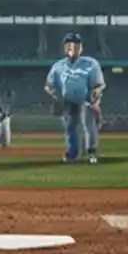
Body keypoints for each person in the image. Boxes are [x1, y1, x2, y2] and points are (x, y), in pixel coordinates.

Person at [44, 33, 105, 163]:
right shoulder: (58, 66)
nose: (73, 47)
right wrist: (57, 96)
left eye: (76, 45)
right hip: (67, 101)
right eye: (69, 45)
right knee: (70, 128)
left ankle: (91, 152)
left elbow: (98, 84)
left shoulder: (91, 63)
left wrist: (95, 96)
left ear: (81, 47)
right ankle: (72, 153)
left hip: (86, 100)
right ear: (65, 48)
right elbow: (49, 85)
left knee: (89, 126)